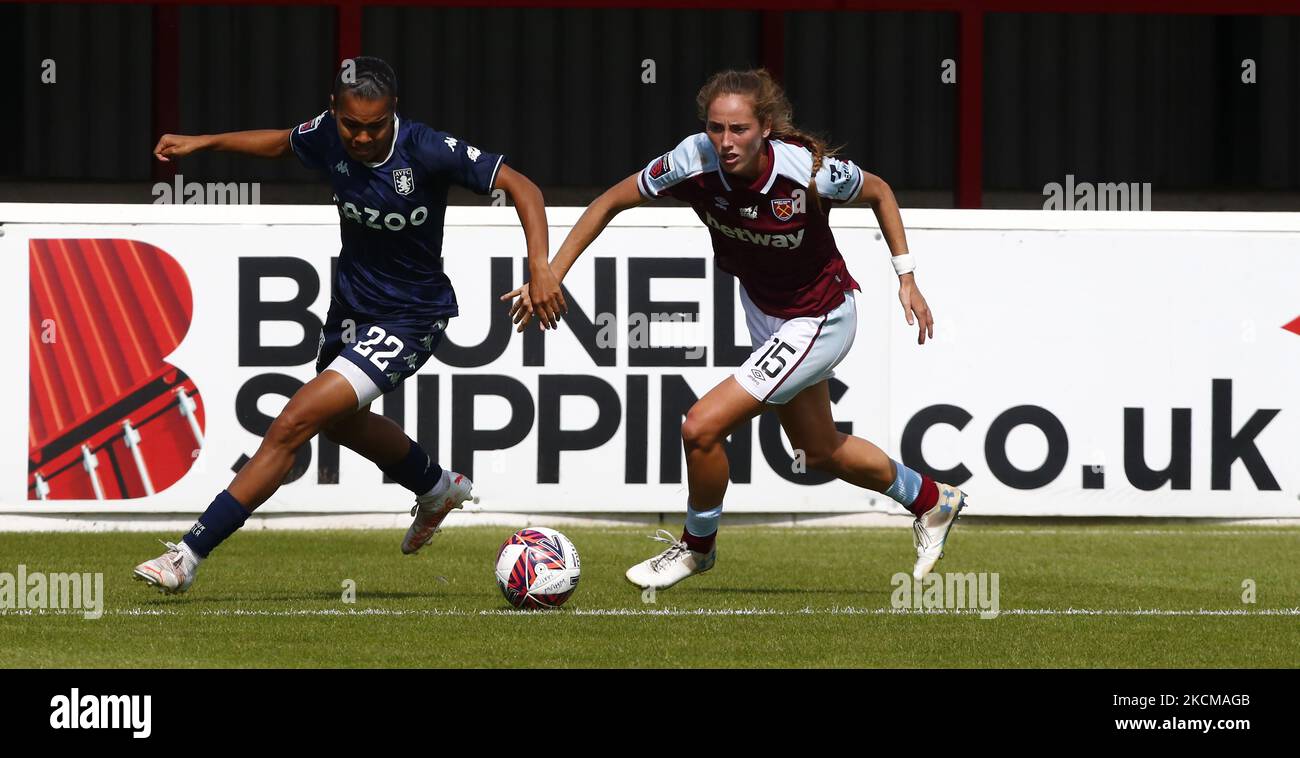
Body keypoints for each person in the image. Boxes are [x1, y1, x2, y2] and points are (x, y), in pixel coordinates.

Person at [505, 69, 966, 591]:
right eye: (716, 128)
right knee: (819, 449)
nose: (725, 142)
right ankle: (933, 500)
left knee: (700, 426)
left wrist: (907, 277)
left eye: (739, 129)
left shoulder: (807, 171)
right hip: (765, 312)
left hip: (820, 316)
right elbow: (611, 200)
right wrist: (549, 271)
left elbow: (880, 192)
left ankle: (697, 547)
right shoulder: (692, 159)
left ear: (765, 127)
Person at [134, 56, 563, 594]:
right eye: (350, 124)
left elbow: (524, 186)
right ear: (334, 111)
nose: (361, 137)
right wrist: (204, 142)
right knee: (338, 424)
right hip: (350, 311)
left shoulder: (427, 148)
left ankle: (187, 555)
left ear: (394, 114)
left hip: (412, 317)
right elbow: (280, 142)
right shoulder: (327, 136)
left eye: (375, 126)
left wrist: (541, 266)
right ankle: (436, 487)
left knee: (294, 420)